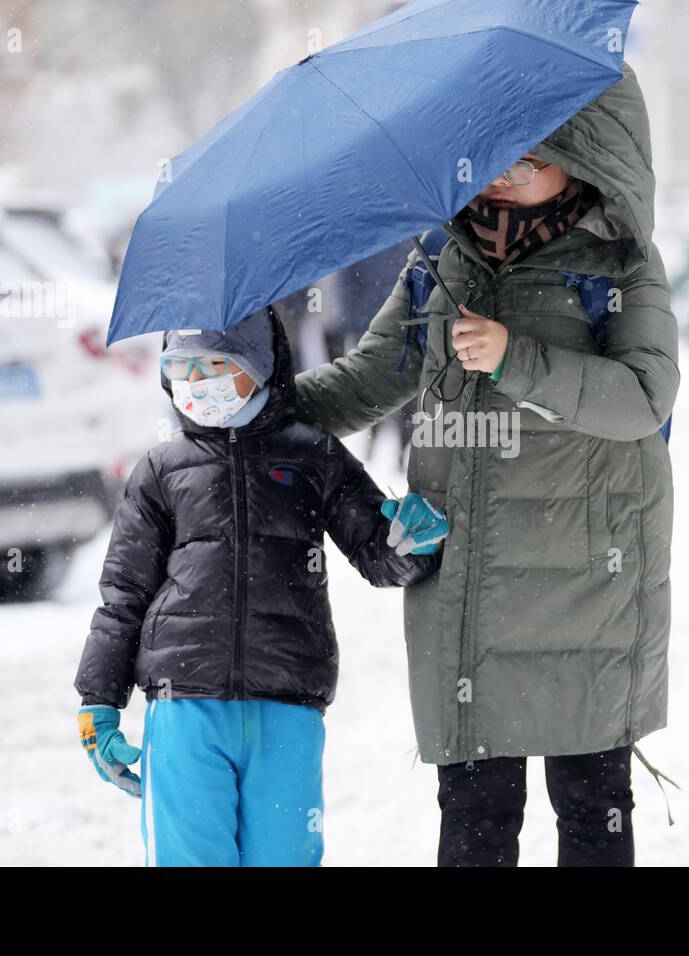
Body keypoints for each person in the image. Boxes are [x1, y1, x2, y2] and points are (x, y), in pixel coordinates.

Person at [293, 64, 679, 866]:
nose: (505, 174)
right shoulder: (442, 258)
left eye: (531, 159)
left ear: (589, 158)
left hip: (589, 577)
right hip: (468, 576)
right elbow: (369, 381)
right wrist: (258, 407)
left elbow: (642, 400)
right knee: (473, 806)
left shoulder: (622, 264)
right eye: (495, 154)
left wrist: (516, 361)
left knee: (592, 798)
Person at [73, 307, 447, 866]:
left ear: (261, 363)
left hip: (287, 701)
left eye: (218, 365)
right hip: (184, 708)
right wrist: (98, 702)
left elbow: (377, 555)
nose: (200, 385)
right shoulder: (160, 470)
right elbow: (123, 595)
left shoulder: (311, 454)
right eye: (185, 370)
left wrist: (409, 542)